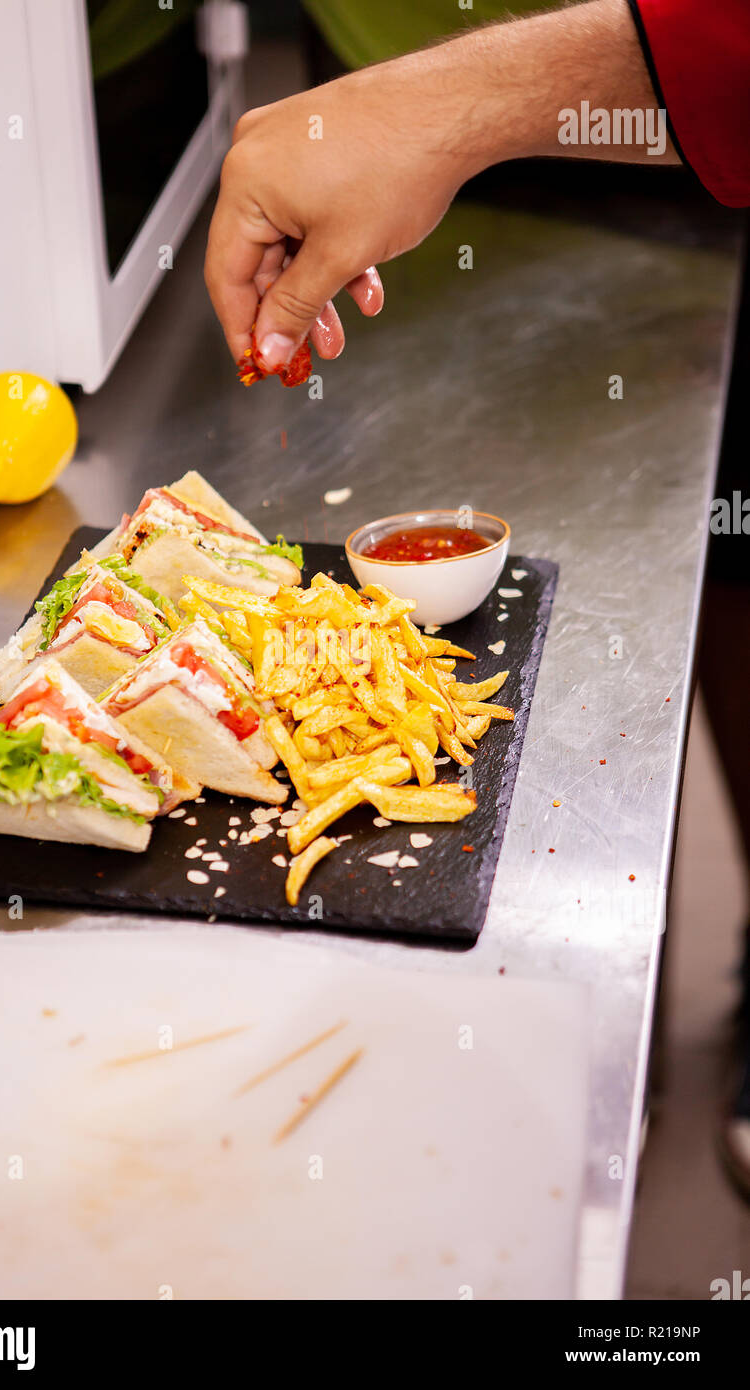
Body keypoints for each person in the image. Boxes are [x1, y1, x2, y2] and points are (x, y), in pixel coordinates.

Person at [205, 0, 750, 1194]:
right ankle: (609, 1029)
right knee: (604, 598)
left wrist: (440, 103)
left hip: (689, 152)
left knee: (733, 535)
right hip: (399, 141)